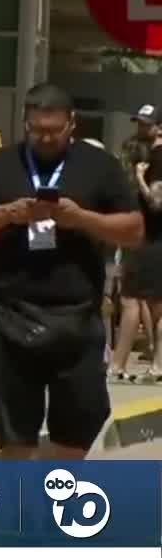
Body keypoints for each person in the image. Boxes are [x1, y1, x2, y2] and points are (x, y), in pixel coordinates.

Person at [0, 83, 143, 460]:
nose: (44, 138)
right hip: (9, 311)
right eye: (36, 130)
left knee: (77, 427)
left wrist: (82, 218)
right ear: (25, 122)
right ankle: (22, 495)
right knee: (15, 433)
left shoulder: (99, 165)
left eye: (53, 131)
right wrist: (6, 214)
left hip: (76, 312)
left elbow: (134, 230)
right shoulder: (2, 163)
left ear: (71, 123)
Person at [111, 104, 161, 381]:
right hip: (138, 234)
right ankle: (125, 364)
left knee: (147, 301)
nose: (141, 128)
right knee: (136, 299)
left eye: (147, 124)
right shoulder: (139, 151)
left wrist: (141, 178)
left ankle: (152, 363)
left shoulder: (157, 158)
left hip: (152, 237)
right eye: (139, 123)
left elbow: (155, 203)